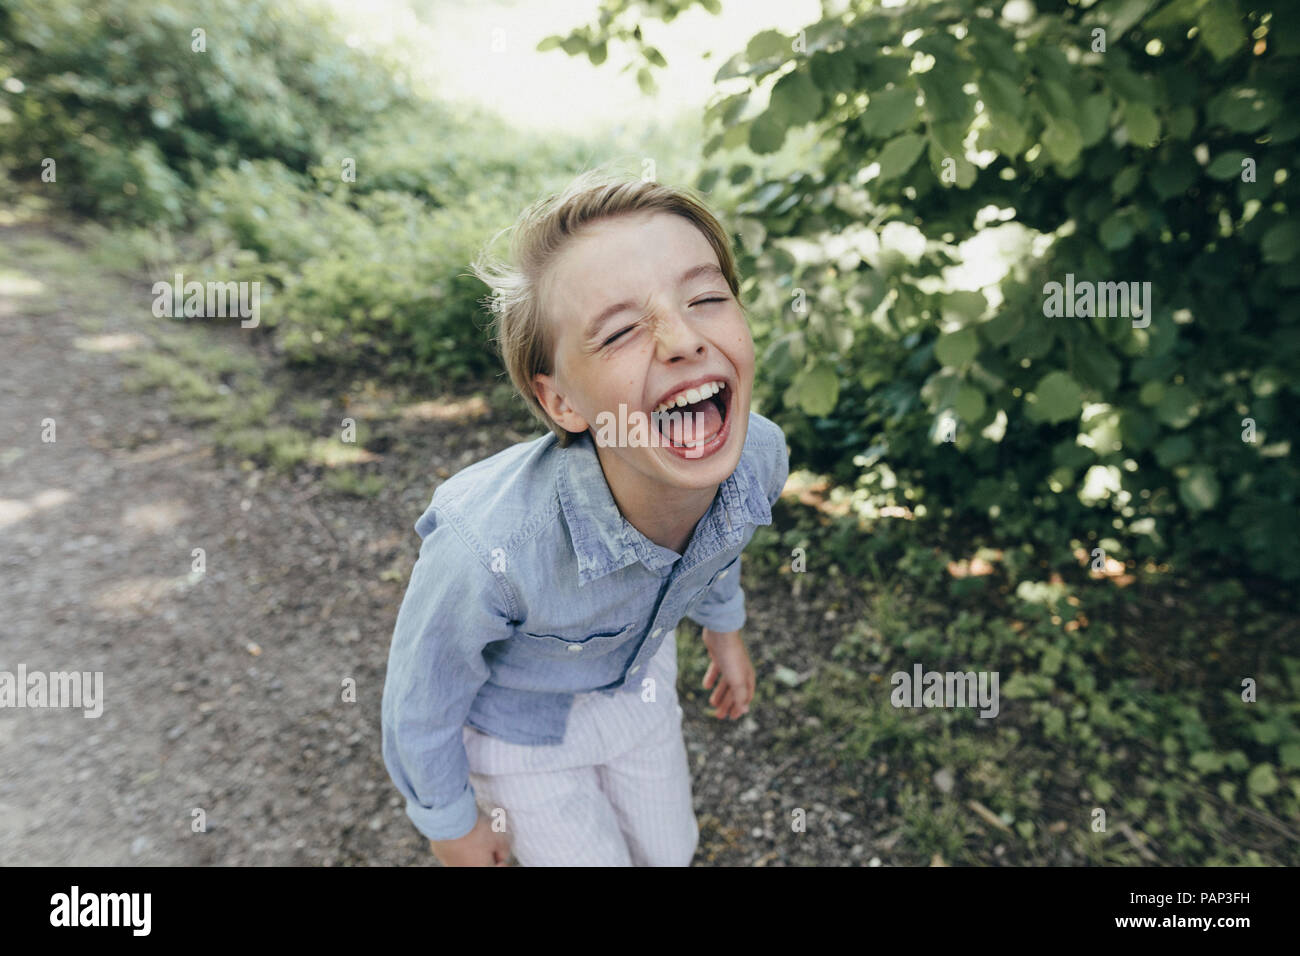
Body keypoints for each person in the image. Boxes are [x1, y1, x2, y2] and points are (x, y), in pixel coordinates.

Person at [380, 169, 789, 866]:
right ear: (561, 401)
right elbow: (421, 696)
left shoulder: (759, 456)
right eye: (622, 330)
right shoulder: (489, 548)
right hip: (521, 736)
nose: (682, 338)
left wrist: (725, 634)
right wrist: (450, 825)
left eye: (707, 297)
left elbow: (720, 546)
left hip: (638, 692)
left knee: (672, 849)